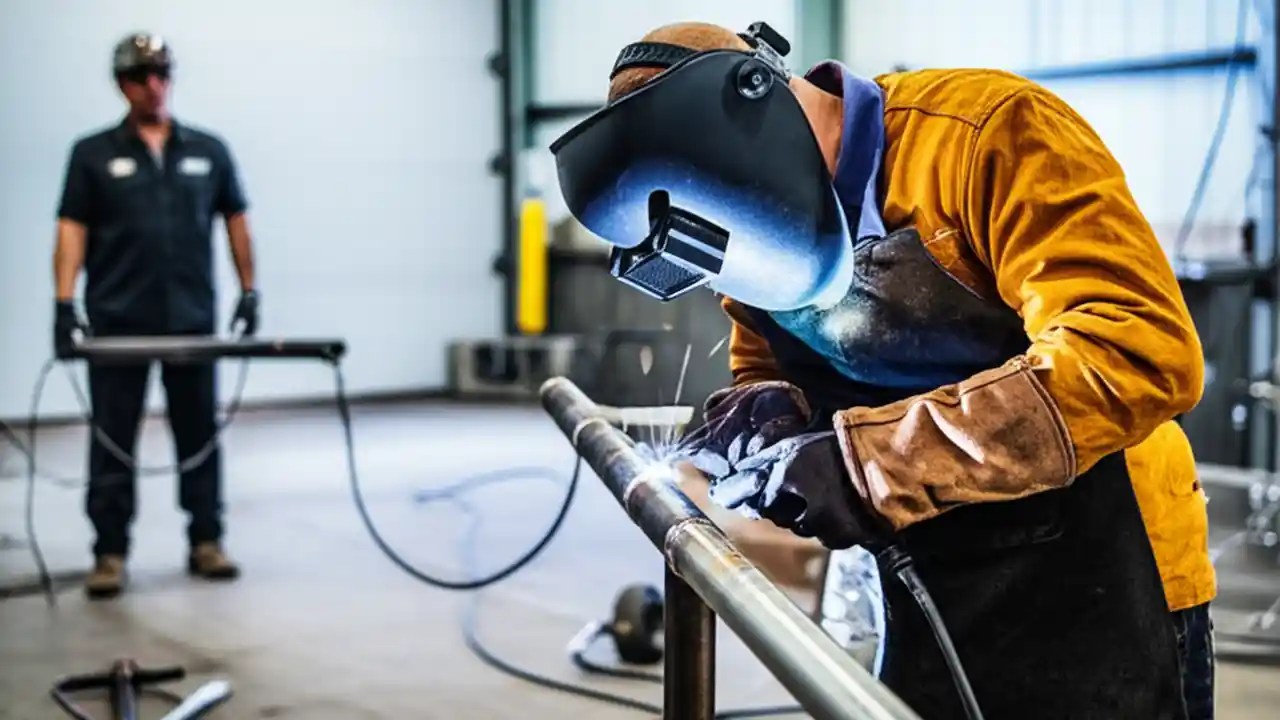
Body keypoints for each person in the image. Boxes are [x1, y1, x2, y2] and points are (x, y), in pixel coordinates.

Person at [550, 20, 1215, 720]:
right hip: (920, 567)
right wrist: (767, 407)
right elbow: (759, 357)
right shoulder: (749, 229)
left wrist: (871, 462)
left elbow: (1137, 354)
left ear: (755, 104)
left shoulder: (989, 134)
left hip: (1103, 575)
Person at [53, 33, 259, 599]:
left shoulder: (207, 150)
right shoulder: (91, 154)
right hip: (119, 321)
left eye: (163, 73)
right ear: (123, 83)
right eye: (144, 75)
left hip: (191, 318)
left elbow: (236, 219)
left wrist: (249, 289)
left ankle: (206, 540)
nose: (155, 85)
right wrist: (64, 302)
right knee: (113, 438)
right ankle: (110, 552)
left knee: (199, 436)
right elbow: (72, 229)